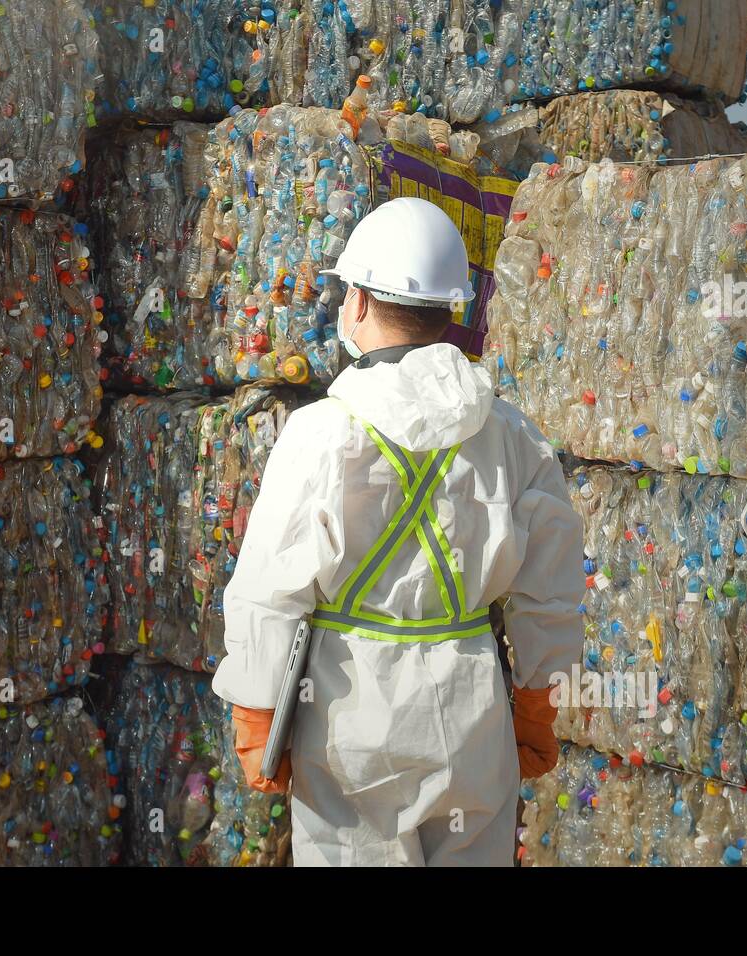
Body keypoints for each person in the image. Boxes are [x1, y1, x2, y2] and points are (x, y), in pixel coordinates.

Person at [210, 196, 585, 866]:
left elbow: (269, 590)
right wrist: (536, 704)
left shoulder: (322, 433)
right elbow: (550, 594)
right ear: (451, 311)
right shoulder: (512, 433)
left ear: (356, 301)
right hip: (474, 719)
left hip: (355, 727)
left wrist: (257, 714)